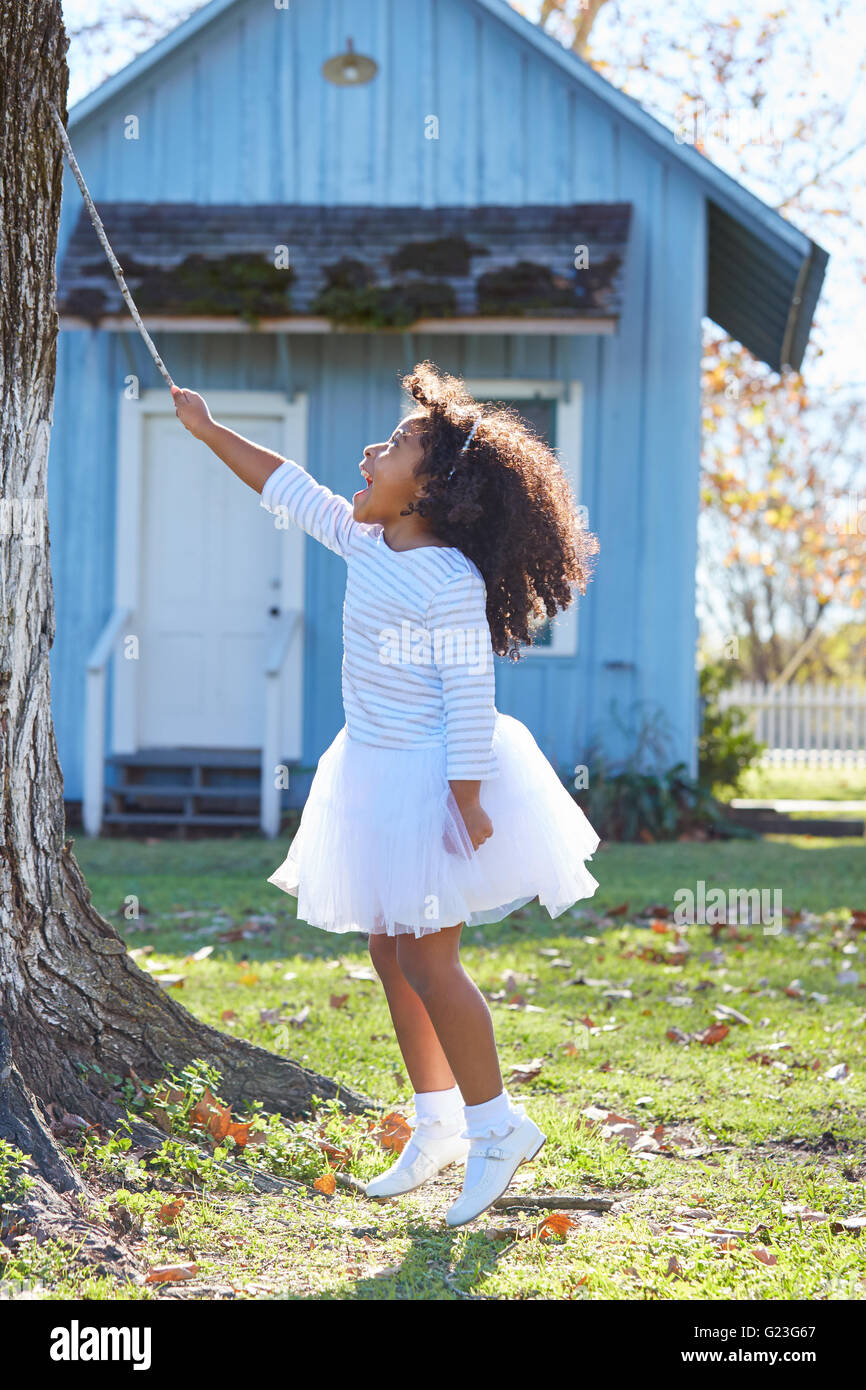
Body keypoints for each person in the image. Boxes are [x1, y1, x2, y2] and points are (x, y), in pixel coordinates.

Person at [171, 361, 601, 1226]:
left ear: (429, 490)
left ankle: (498, 1126)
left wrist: (467, 799)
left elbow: (468, 699)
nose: (371, 451)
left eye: (396, 445)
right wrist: (211, 431)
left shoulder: (449, 582)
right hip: (370, 768)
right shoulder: (366, 538)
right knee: (388, 949)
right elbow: (287, 487)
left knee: (430, 960)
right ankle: (438, 1120)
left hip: (432, 778)